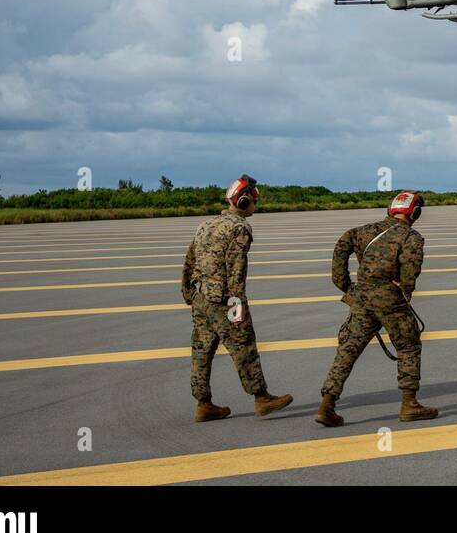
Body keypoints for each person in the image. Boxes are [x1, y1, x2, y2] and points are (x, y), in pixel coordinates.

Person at [315, 191, 438, 426]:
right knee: (408, 346)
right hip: (390, 300)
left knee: (348, 350)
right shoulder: (412, 237)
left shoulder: (364, 231)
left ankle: (327, 405)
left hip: (361, 298)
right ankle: (409, 404)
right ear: (415, 213)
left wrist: (346, 285)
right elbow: (410, 271)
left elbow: (342, 246)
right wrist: (405, 290)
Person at [180, 174, 292, 422]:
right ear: (242, 202)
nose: (255, 205)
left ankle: (203, 403)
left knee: (201, 350)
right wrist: (236, 304)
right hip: (224, 300)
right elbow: (236, 269)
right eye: (253, 201)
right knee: (243, 346)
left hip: (201, 297)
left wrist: (188, 292)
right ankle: (262, 398)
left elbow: (190, 260)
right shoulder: (239, 228)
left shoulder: (205, 225)